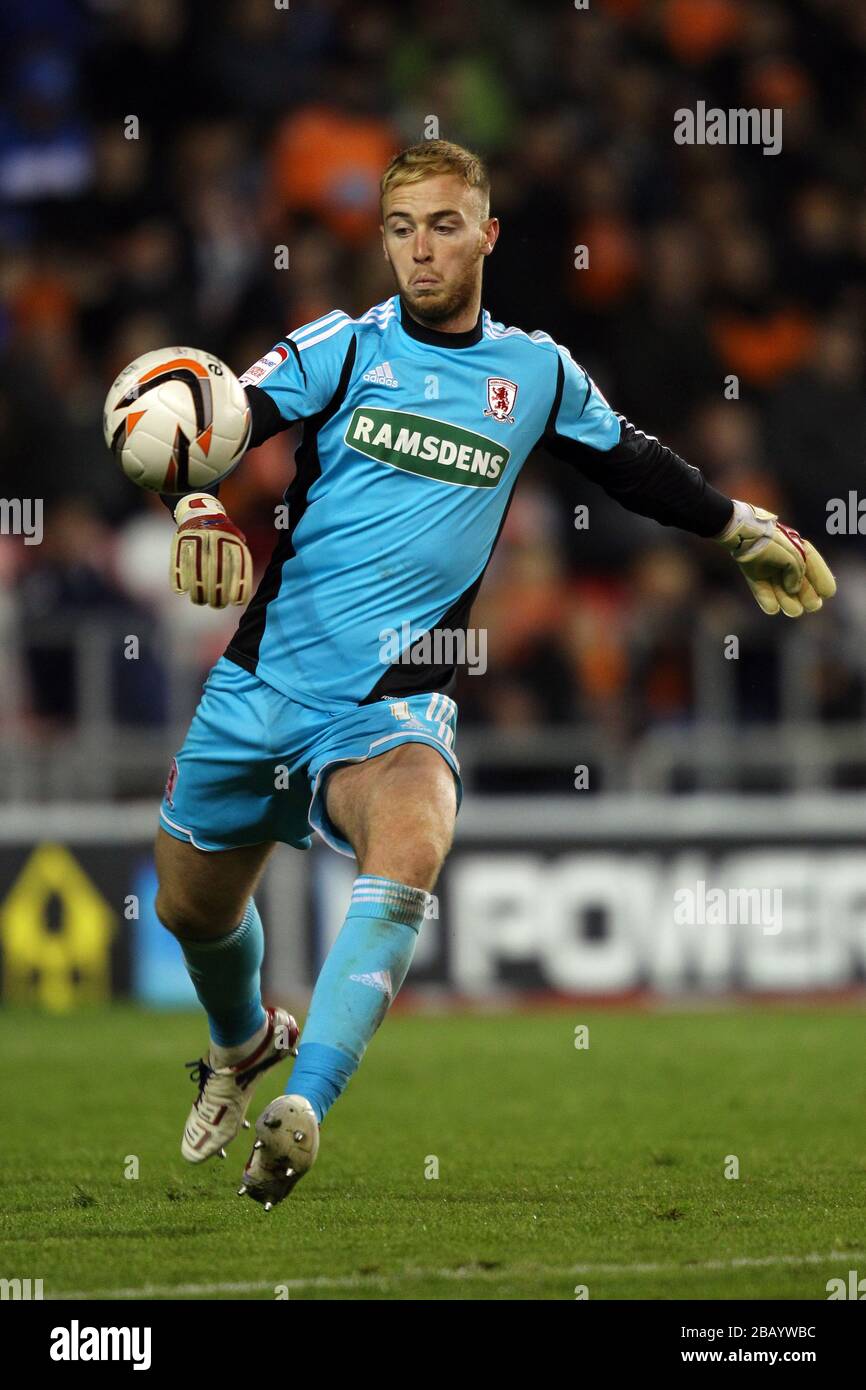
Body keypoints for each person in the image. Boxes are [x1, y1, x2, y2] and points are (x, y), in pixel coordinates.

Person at [154, 140, 836, 1212]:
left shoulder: (536, 374)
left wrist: (740, 525)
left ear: (485, 232)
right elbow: (194, 421)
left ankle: (308, 1107)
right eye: (398, 230)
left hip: (391, 702)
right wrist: (192, 503)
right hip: (261, 683)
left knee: (416, 831)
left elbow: (633, 463)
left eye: (438, 225)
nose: (417, 251)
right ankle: (244, 1043)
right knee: (191, 914)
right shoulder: (338, 348)